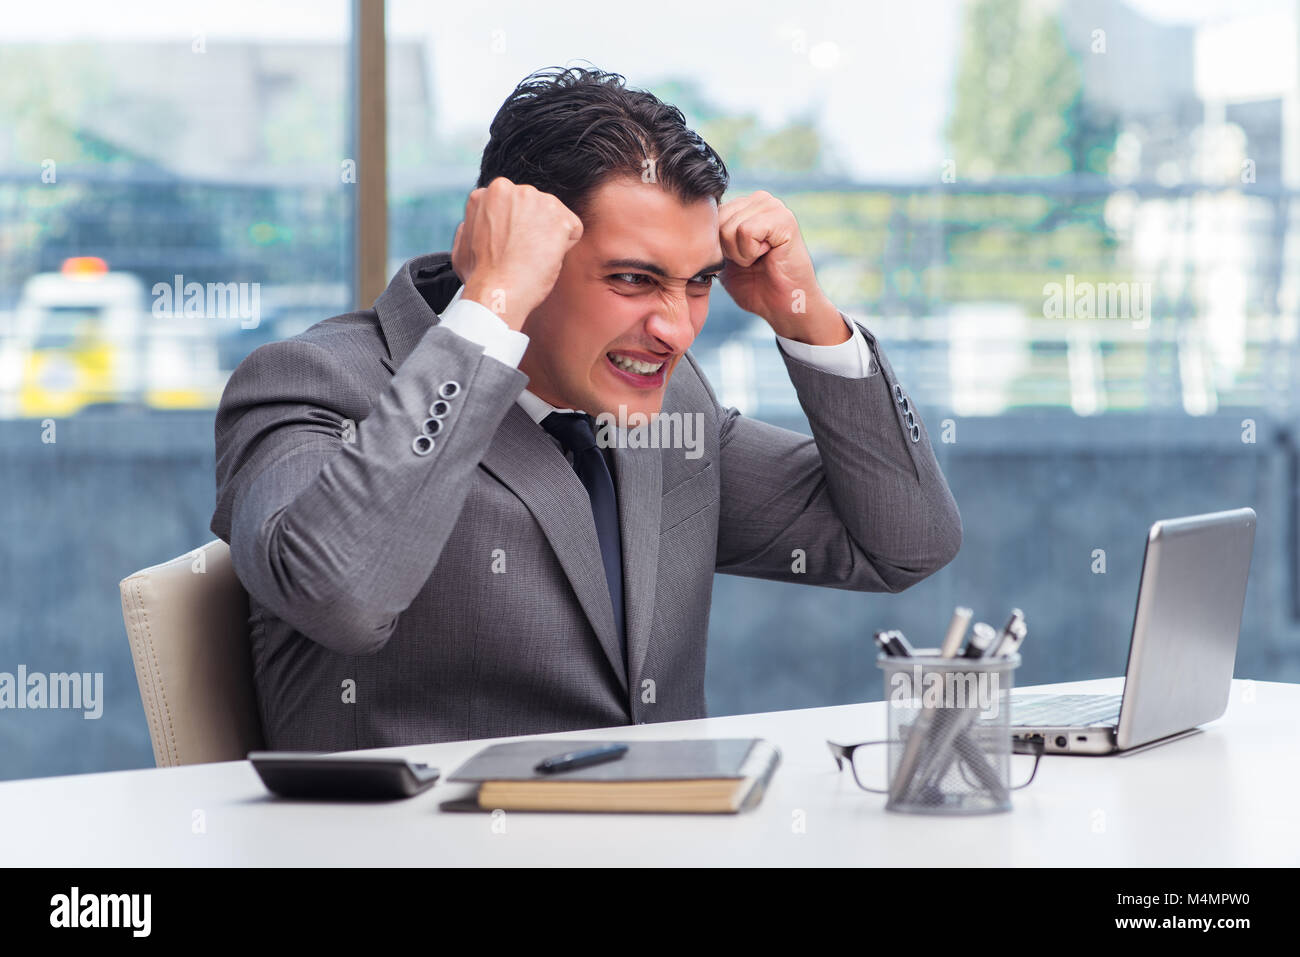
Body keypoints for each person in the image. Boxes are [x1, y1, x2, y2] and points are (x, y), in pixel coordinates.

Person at [210, 65, 962, 751]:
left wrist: (805, 315)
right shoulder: (311, 381)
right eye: (635, 279)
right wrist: (491, 306)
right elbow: (343, 594)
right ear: (524, 254)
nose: (677, 328)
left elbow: (903, 541)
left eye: (697, 281)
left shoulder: (669, 408)